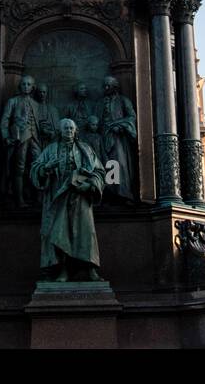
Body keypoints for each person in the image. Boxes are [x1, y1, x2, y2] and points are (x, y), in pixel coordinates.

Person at [30, 118, 104, 281]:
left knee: (86, 233)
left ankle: (90, 269)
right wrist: (46, 168)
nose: (69, 131)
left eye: (71, 128)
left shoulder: (85, 149)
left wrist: (90, 185)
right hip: (58, 196)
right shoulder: (50, 150)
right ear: (59, 131)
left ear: (76, 131)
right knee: (59, 234)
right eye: (65, 129)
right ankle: (63, 270)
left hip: (80, 196)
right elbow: (35, 169)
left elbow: (99, 171)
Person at [0, 75, 43, 208]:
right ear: (20, 86)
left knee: (38, 166)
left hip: (35, 138)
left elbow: (39, 122)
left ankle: (38, 198)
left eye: (28, 85)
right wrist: (6, 136)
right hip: (19, 139)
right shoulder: (13, 101)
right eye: (23, 84)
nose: (26, 87)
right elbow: (5, 120)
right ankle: (19, 200)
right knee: (19, 168)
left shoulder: (36, 105)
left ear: (33, 87)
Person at [99, 75, 137, 203]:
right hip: (105, 136)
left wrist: (120, 126)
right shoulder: (102, 102)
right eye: (104, 85)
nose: (106, 88)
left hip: (119, 138)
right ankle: (111, 193)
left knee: (119, 163)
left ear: (115, 87)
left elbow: (132, 116)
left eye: (108, 85)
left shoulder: (123, 100)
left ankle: (123, 193)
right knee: (108, 164)